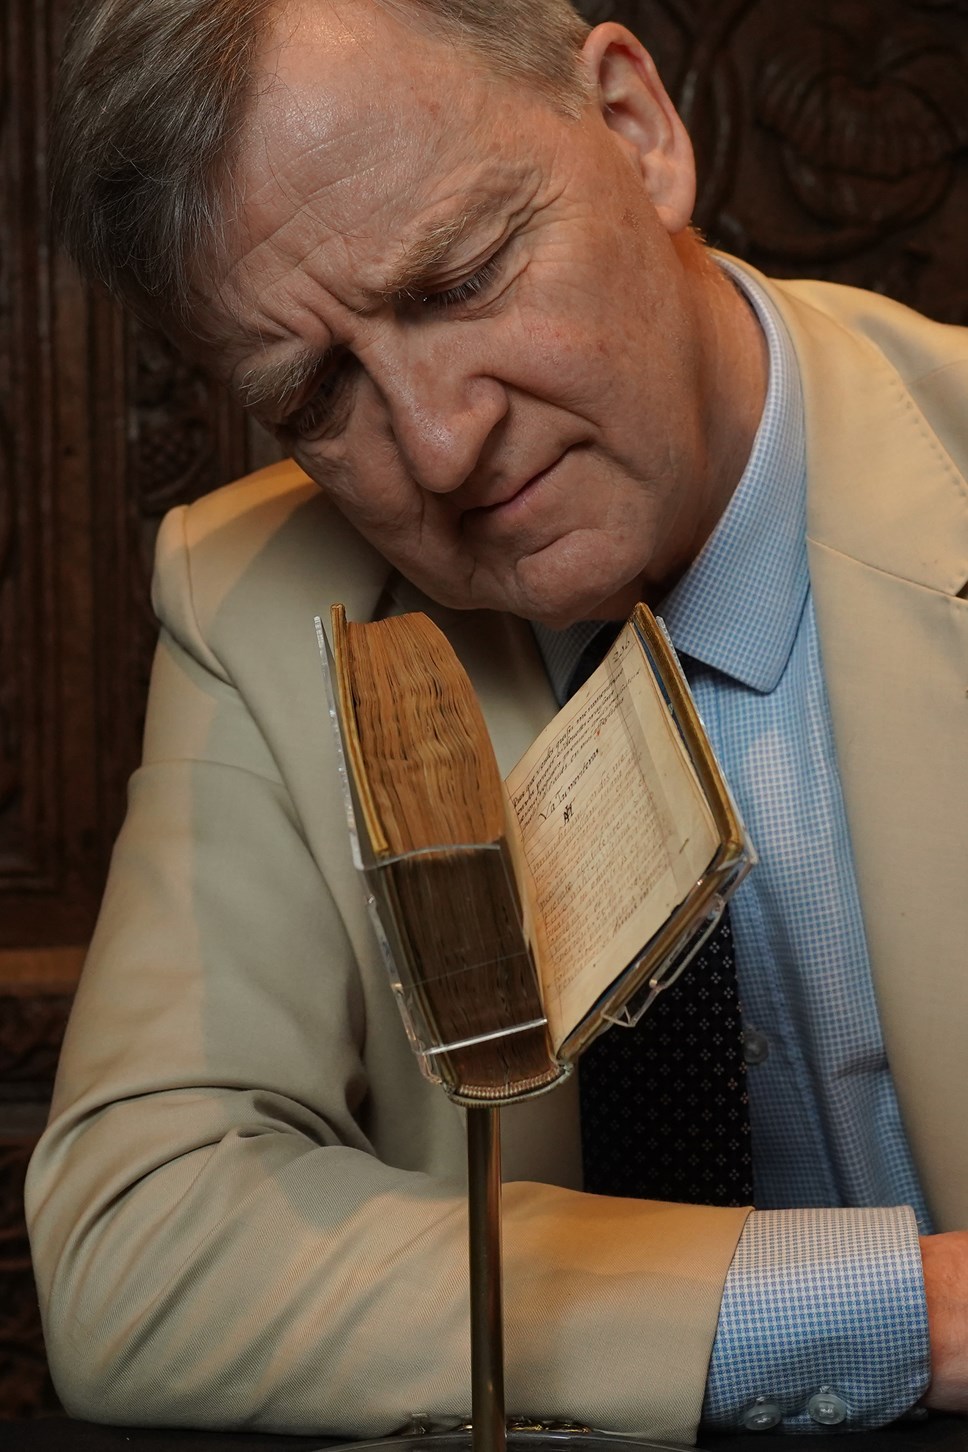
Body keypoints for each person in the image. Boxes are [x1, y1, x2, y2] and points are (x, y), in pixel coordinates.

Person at [25, 0, 968, 1441]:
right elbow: (136, 1251)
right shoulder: (250, 606)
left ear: (636, 131)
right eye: (316, 391)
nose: (440, 443)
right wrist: (890, 1310)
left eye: (460, 279)